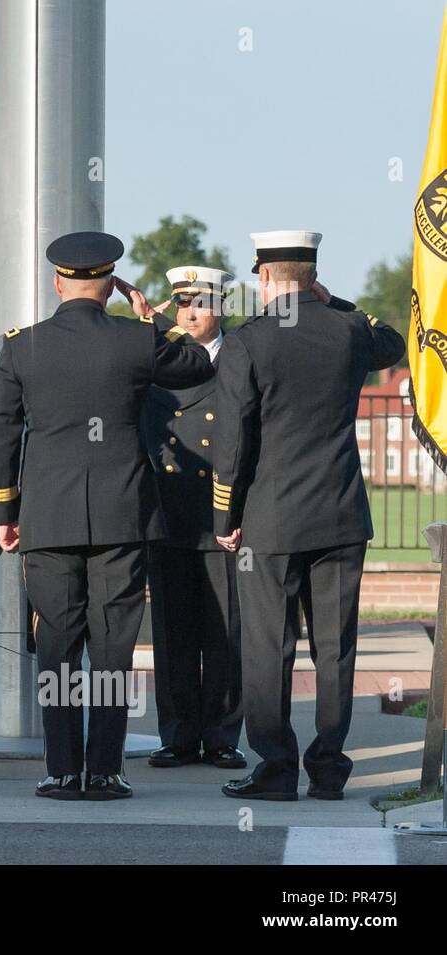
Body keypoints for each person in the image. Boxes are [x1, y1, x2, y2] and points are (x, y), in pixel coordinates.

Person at [0, 231, 215, 801]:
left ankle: (62, 769)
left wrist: (2, 512)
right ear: (111, 284)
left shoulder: (21, 346)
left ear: (57, 282)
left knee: (59, 643)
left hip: (48, 514)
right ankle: (106, 770)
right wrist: (152, 322)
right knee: (113, 646)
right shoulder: (136, 341)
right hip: (122, 514)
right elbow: (193, 364)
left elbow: (1, 432)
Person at [214, 230, 405, 801]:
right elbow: (392, 343)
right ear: (312, 275)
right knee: (335, 646)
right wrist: (339, 302)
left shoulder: (249, 341)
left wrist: (225, 518)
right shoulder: (349, 331)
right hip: (342, 516)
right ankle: (328, 770)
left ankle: (275, 770)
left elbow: (234, 440)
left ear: (266, 277)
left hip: (270, 520)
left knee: (269, 647)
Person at [141, 266, 246, 771]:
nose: (191, 313)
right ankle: (179, 735)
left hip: (225, 514)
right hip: (170, 510)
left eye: (201, 303)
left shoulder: (242, 355)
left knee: (226, 633)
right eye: (182, 305)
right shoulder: (157, 359)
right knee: (173, 631)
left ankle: (223, 737)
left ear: (222, 306)